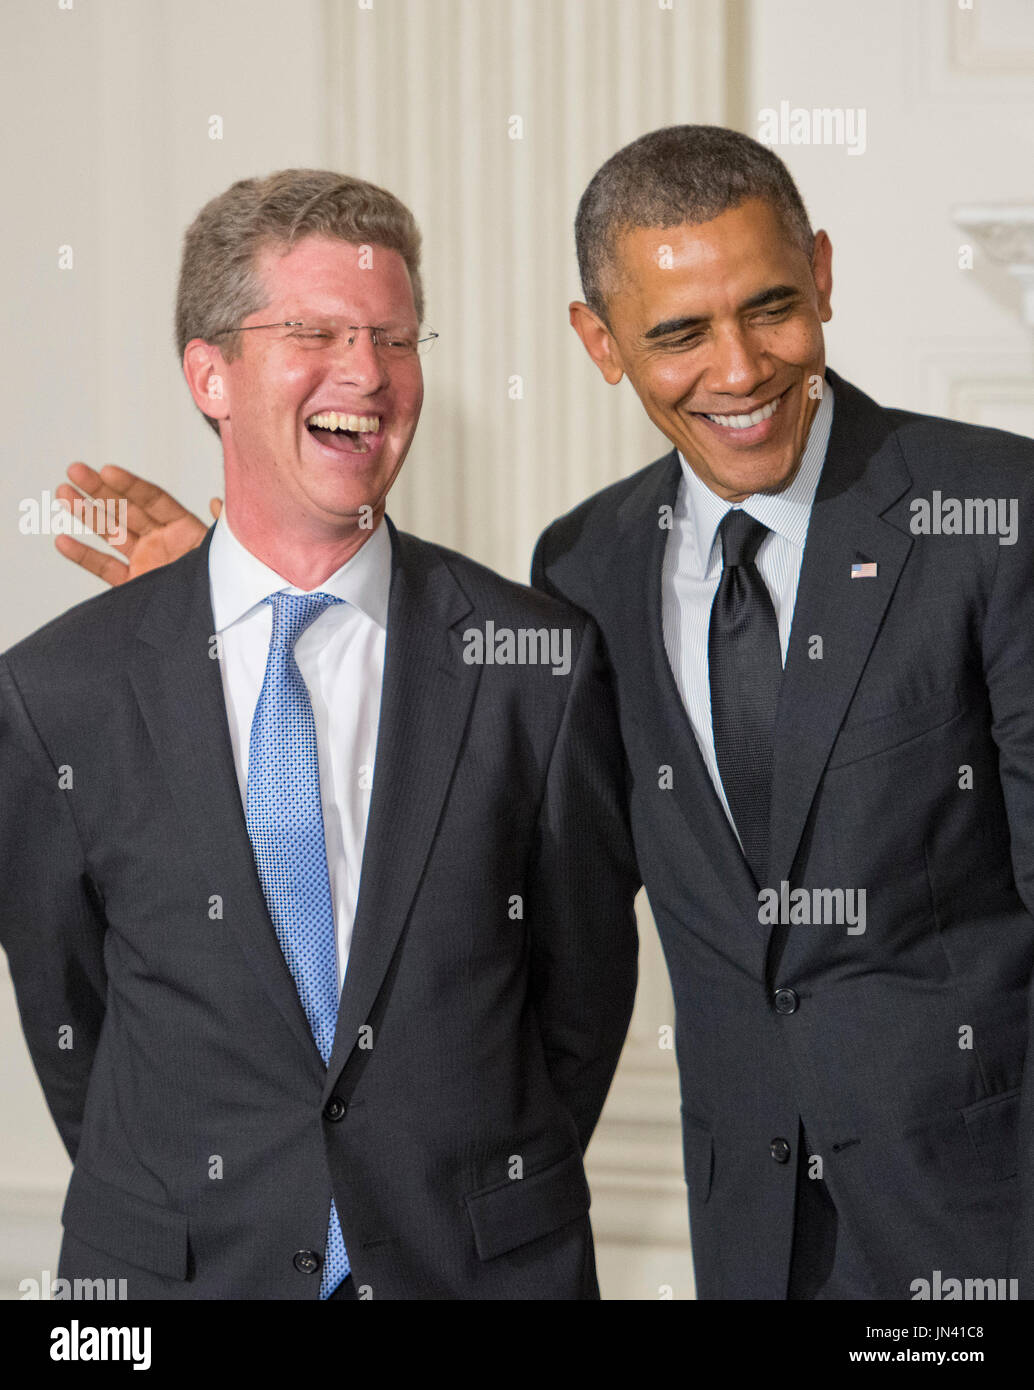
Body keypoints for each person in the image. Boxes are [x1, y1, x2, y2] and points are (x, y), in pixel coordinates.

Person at [48, 126, 1034, 1302]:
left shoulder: (994, 512)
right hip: (753, 1236)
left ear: (821, 274)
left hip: (981, 1226)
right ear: (599, 342)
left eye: (770, 307)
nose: (736, 369)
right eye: (675, 331)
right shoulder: (585, 571)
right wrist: (231, 602)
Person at [0, 169, 639, 1300]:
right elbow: (74, 1021)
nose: (368, 373)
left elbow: (576, 1003)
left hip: (479, 1268)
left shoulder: (539, 660)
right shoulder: (59, 691)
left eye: (394, 336)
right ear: (210, 373)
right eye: (316, 332)